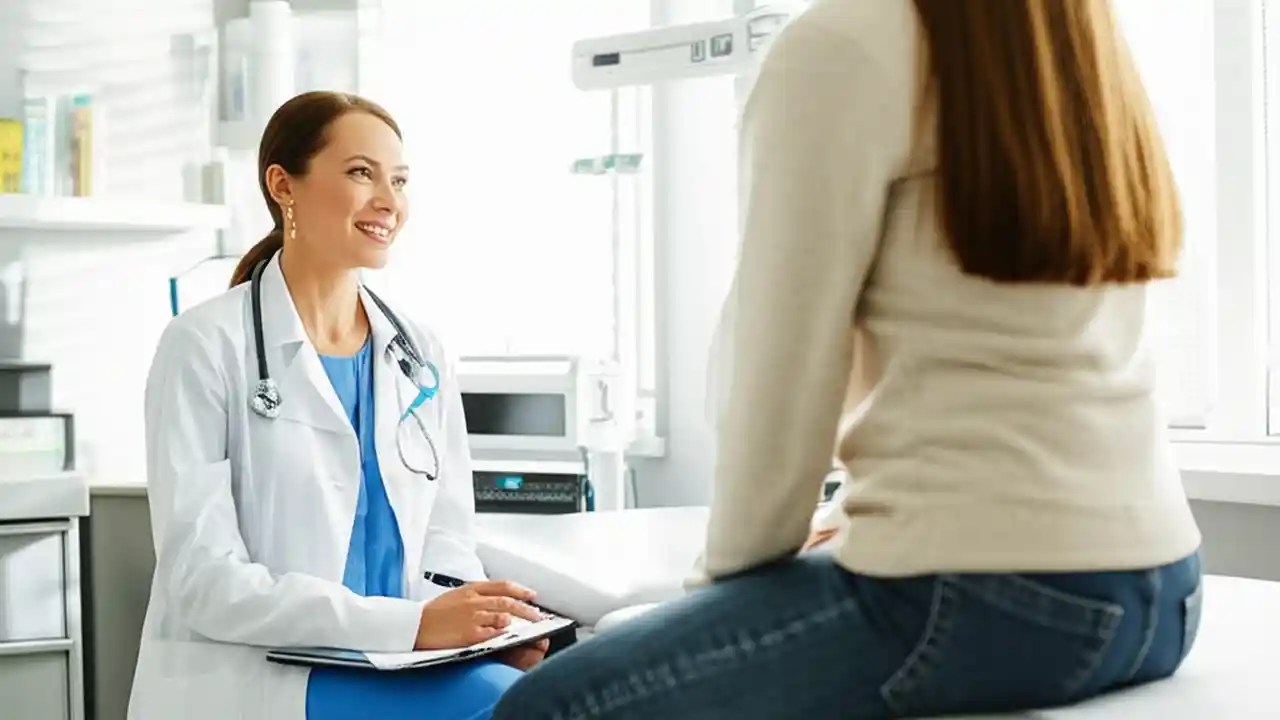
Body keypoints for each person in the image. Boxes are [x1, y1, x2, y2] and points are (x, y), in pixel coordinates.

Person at [492, 0, 1203, 718]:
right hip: (1164, 587)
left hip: (985, 593)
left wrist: (724, 606)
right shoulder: (1071, 48)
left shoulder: (842, 46)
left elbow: (781, 383)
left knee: (545, 706)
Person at [129, 91, 548, 720]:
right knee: (502, 706)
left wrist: (477, 625)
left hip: (401, 659)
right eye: (361, 173)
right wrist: (411, 626)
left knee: (536, 691)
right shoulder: (204, 345)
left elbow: (447, 535)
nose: (389, 201)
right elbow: (204, 582)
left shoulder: (417, 350)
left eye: (400, 180)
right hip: (266, 672)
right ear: (283, 186)